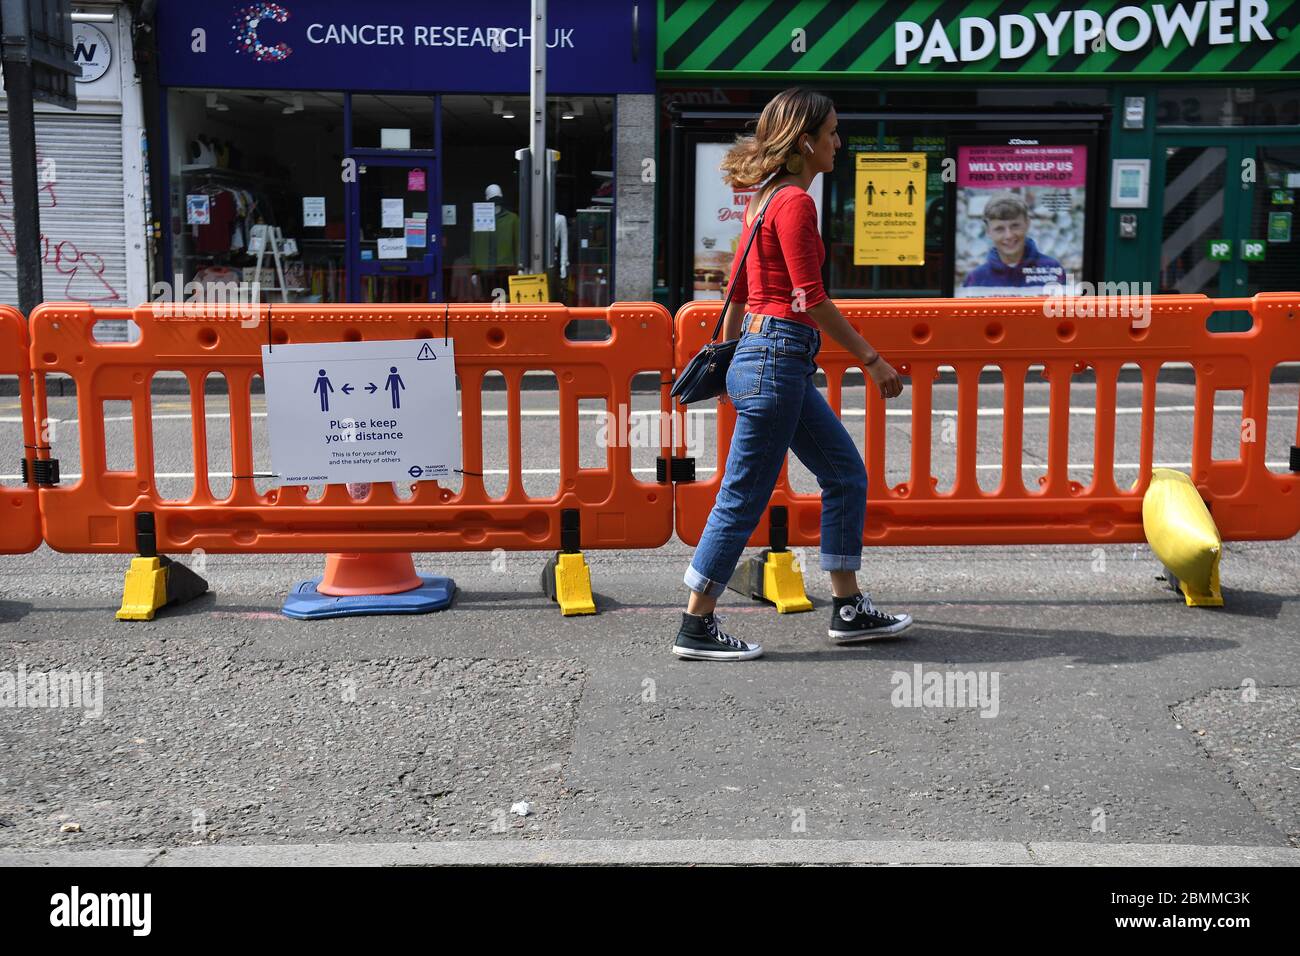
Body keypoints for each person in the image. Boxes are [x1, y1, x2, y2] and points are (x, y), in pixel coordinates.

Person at [674, 88, 913, 662]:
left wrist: (734, 358)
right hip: (777, 360)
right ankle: (695, 624)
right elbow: (810, 298)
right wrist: (872, 359)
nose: (839, 143)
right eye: (831, 133)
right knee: (743, 495)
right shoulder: (795, 204)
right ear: (806, 142)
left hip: (769, 359)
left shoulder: (763, 201)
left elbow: (736, 291)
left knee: (844, 475)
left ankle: (848, 607)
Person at [962, 193, 1065, 290]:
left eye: (1015, 226)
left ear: (1027, 224)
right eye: (999, 229)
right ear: (988, 231)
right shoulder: (976, 278)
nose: (1009, 235)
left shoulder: (1052, 269)